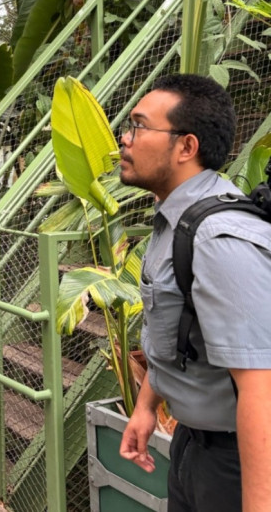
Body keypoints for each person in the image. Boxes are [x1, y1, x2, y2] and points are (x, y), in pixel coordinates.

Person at [117, 73, 271, 511]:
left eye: (139, 126)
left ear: (186, 147)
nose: (125, 138)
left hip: (235, 462)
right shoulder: (175, 221)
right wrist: (146, 406)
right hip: (191, 445)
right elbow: (176, 331)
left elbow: (261, 389)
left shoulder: (219, 240)